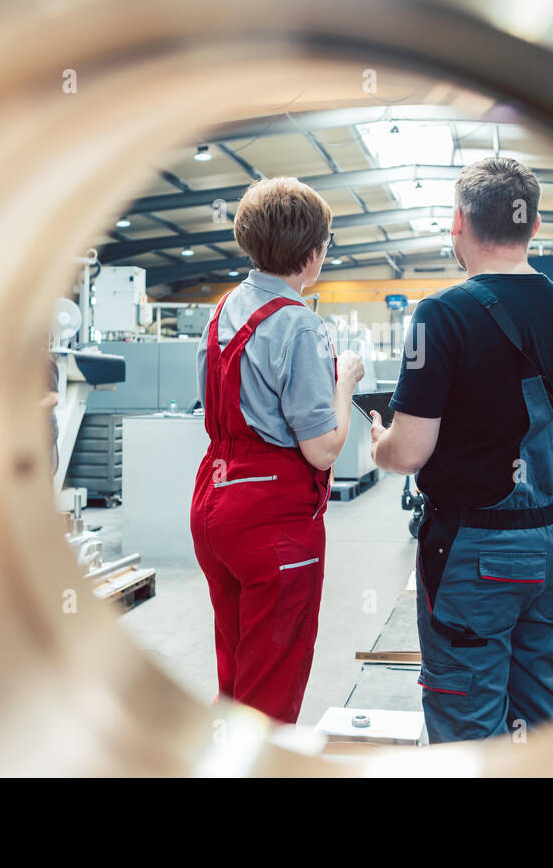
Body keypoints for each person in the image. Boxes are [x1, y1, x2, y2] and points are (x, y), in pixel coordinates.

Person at [369, 156, 553, 743]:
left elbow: (411, 452)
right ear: (535, 225)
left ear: (458, 223)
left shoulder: (440, 315)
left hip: (475, 550)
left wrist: (381, 446)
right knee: (537, 698)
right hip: (548, 540)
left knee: (468, 707)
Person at [190, 176, 363, 724]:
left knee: (236, 666)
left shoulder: (220, 313)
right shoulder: (301, 327)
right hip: (271, 516)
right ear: (312, 255)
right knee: (271, 681)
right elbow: (322, 450)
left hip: (215, 501)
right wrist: (346, 385)